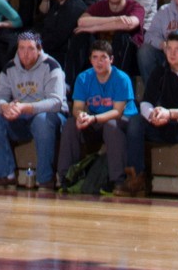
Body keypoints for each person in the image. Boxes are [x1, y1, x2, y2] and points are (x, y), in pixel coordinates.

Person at [114, 30, 178, 200]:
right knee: (136, 120)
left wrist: (171, 114)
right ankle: (136, 178)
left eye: (177, 49)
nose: (172, 53)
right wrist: (152, 115)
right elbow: (145, 102)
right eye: (169, 48)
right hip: (161, 124)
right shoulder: (160, 71)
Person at [0, 32, 67, 189]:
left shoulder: (51, 66)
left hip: (50, 118)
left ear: (39, 49)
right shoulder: (9, 68)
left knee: (42, 120)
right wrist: (5, 107)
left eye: (30, 49)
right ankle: (6, 174)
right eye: (21, 48)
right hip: (20, 116)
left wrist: (26, 107)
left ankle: (45, 179)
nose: (25, 53)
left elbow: (56, 102)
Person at [57, 39, 135, 190]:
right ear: (90, 60)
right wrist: (81, 115)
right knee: (71, 124)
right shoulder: (83, 78)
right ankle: (65, 177)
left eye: (103, 57)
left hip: (120, 121)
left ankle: (117, 182)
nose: (99, 62)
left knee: (111, 126)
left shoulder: (121, 78)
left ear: (111, 60)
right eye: (95, 57)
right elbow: (77, 106)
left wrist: (92, 118)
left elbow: (117, 112)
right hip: (95, 119)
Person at [69, 0, 145, 82]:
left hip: (128, 52)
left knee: (122, 35)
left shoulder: (135, 6)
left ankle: (118, 84)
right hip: (101, 48)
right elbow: (81, 22)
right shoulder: (101, 5)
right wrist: (116, 19)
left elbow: (129, 24)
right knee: (80, 34)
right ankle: (72, 86)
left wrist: (95, 27)